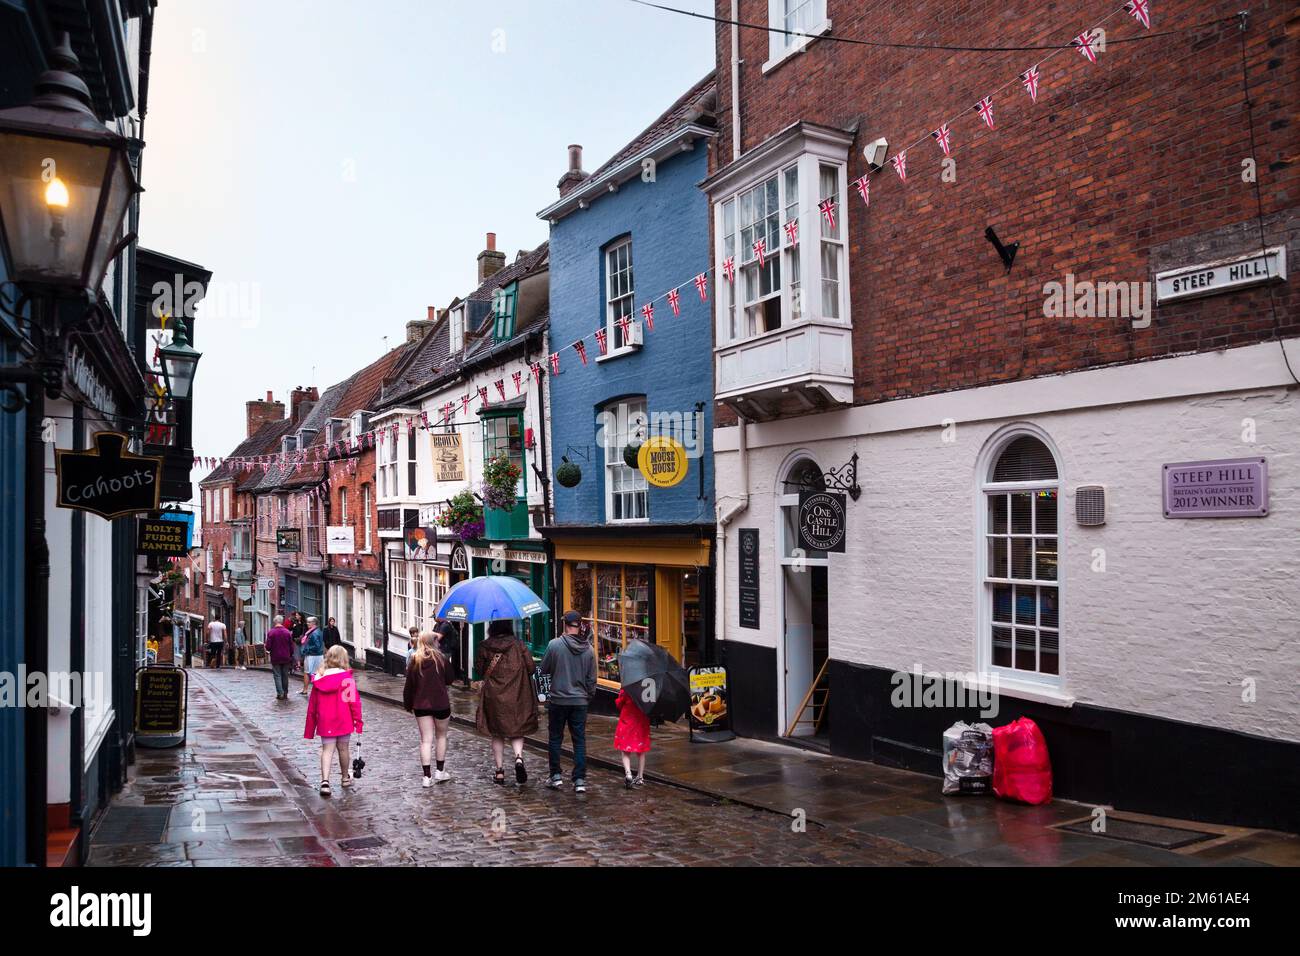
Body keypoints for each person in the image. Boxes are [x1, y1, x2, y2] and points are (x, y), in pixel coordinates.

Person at [475, 619, 539, 786]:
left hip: (494, 696)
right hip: (518, 694)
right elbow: (531, 668)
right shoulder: (519, 644)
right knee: (516, 729)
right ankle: (518, 757)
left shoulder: (484, 646)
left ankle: (500, 771)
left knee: (497, 732)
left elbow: (480, 670)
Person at [539, 610, 596, 793]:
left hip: (558, 700)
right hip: (580, 701)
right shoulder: (589, 649)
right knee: (579, 740)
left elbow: (544, 669)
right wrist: (587, 696)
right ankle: (579, 780)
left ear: (565, 625)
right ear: (579, 626)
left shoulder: (554, 645)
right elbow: (592, 680)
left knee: (555, 738)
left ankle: (555, 776)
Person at [303, 645, 363, 797]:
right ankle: (344, 778)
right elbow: (353, 702)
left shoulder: (319, 680)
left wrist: (311, 726)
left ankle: (325, 782)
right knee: (343, 749)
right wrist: (358, 721)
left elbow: (313, 706)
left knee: (327, 750)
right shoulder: (346, 678)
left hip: (325, 719)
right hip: (343, 718)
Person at [403, 631, 456, 786]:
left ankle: (427, 777)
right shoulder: (441, 659)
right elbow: (450, 679)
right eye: (437, 641)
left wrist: (408, 704)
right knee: (441, 736)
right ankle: (440, 772)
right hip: (440, 703)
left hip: (421, 705)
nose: (439, 643)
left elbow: (409, 686)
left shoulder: (415, 660)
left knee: (426, 740)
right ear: (433, 642)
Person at [614, 686, 651, 789]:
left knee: (625, 750)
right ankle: (640, 777)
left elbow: (619, 703)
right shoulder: (648, 686)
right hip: (642, 721)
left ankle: (628, 774)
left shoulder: (628, 687)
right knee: (641, 751)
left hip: (628, 720)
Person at [265, 615, 295, 699]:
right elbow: (291, 646)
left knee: (277, 675)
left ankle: (280, 693)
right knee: (285, 675)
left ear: (275, 622)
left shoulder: (271, 632)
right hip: (286, 657)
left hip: (275, 657)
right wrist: (290, 654)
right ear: (281, 622)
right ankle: (285, 692)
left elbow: (268, 647)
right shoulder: (287, 632)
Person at [434, 621, 464, 688]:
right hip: (441, 650)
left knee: (442, 666)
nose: (434, 619)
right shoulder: (438, 625)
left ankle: (443, 683)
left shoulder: (445, 625)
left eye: (435, 617)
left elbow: (438, 637)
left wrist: (431, 635)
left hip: (445, 650)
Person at [301, 616, 325, 696]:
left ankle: (309, 690)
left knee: (310, 673)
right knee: (311, 672)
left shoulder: (314, 633)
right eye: (307, 622)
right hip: (314, 655)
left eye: (309, 622)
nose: (307, 623)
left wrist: (306, 649)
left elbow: (317, 646)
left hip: (313, 656)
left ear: (314, 623)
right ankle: (306, 690)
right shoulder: (314, 631)